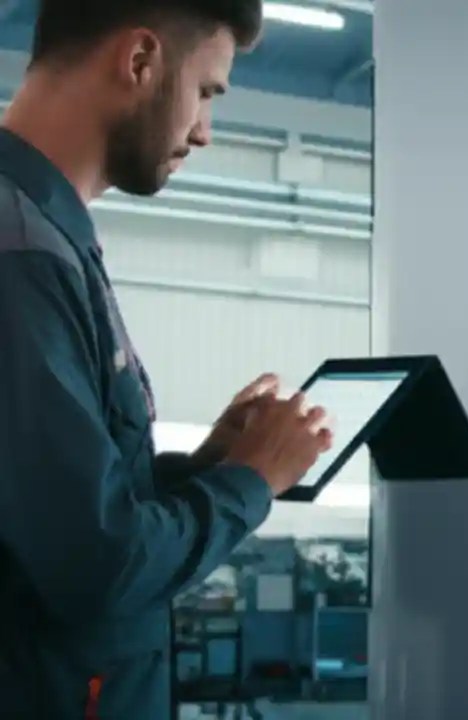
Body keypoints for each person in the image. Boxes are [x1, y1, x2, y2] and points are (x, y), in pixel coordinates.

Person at [0, 1, 334, 716]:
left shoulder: (47, 239)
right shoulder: (21, 254)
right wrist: (248, 484)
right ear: (140, 61)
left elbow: (48, 513)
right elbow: (96, 566)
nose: (206, 133)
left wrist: (205, 467)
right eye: (207, 92)